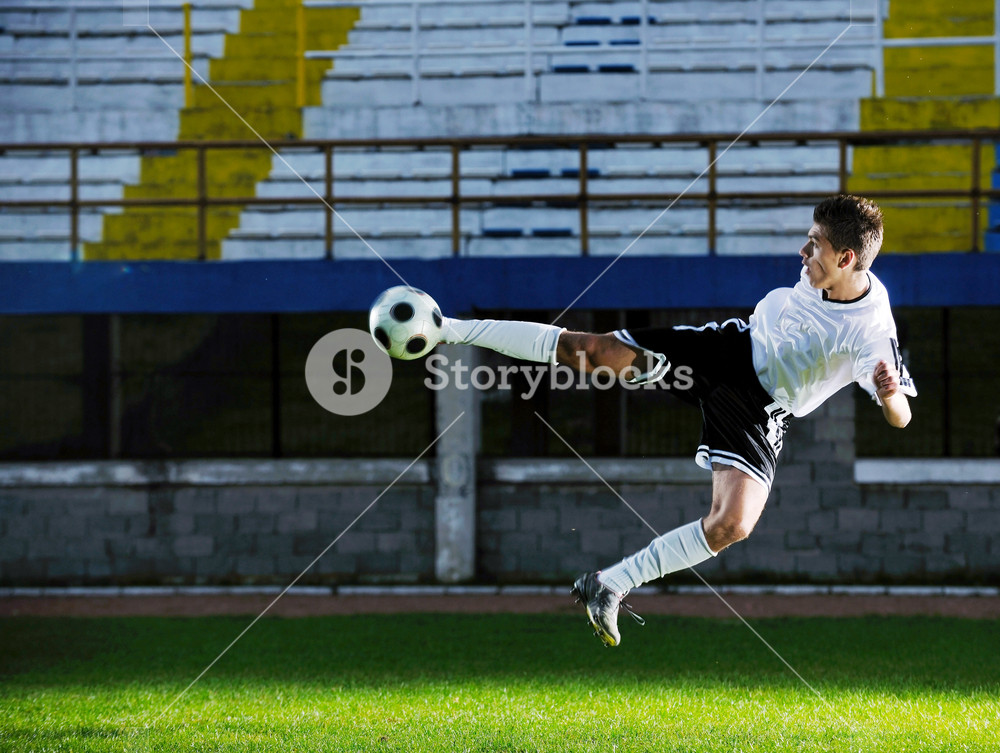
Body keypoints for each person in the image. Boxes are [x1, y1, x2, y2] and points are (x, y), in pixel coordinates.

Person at [439, 195, 916, 647]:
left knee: (732, 524)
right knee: (589, 350)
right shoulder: (817, 277)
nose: (804, 250)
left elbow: (901, 418)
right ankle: (447, 329)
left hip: (758, 405)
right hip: (725, 350)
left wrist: (890, 392)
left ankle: (610, 583)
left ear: (848, 259)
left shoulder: (872, 329)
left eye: (816, 244)